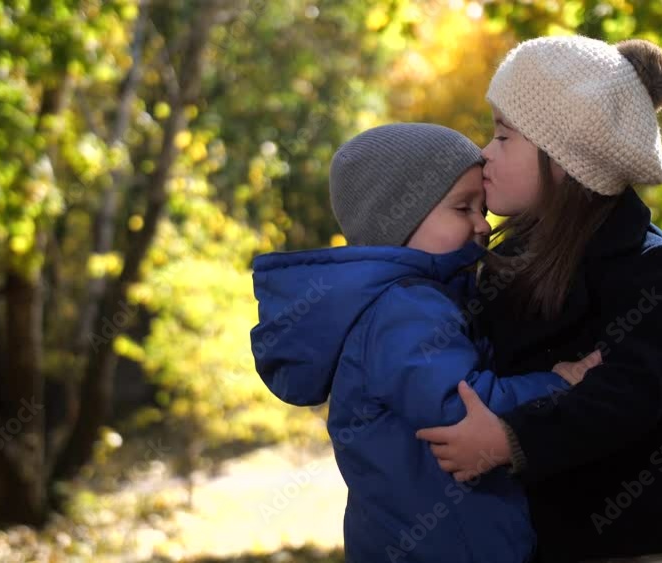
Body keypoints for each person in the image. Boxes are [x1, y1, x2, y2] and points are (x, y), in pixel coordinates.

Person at [416, 37, 662, 562]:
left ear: (565, 159)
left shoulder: (650, 269)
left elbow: (625, 400)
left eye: (502, 136)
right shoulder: (513, 253)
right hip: (561, 527)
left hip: (653, 528)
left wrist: (507, 440)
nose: (483, 152)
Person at [250, 123, 600, 563]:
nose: (483, 223)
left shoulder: (412, 299)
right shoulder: (405, 309)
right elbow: (463, 407)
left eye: (482, 207)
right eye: (463, 208)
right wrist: (558, 384)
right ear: (401, 220)